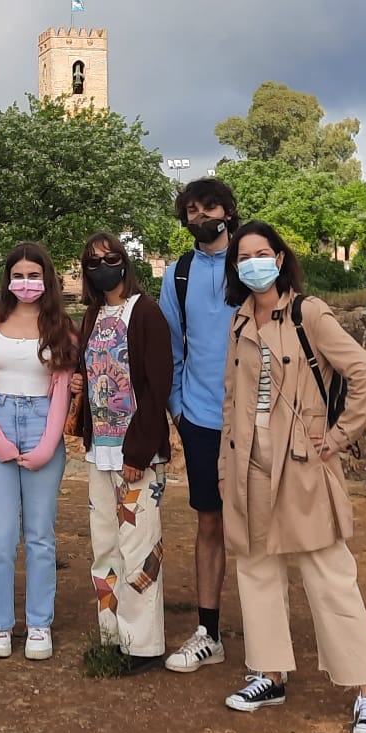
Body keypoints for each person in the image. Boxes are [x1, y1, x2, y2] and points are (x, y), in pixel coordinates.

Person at [219, 221, 366, 733]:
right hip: (249, 462)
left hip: (302, 464)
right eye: (243, 256)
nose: (252, 262)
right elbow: (234, 397)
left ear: (279, 257)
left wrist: (337, 437)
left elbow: (363, 371)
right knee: (256, 569)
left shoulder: (307, 313)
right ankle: (269, 672)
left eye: (261, 253)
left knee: (329, 574)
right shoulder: (238, 322)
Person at [0, 242, 78, 661]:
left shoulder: (61, 328)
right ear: (7, 279)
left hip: (41, 424)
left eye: (34, 276)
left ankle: (37, 624)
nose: (26, 283)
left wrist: (48, 444)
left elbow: (62, 389)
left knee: (40, 535)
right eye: (19, 275)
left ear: (46, 279)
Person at [72, 231, 175, 672]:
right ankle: (112, 635)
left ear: (124, 261)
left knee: (139, 548)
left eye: (109, 258)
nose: (102, 268)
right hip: (101, 452)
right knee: (105, 546)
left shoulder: (146, 314)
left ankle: (143, 644)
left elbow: (156, 387)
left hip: (136, 455)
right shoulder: (93, 314)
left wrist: (140, 451)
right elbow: (91, 370)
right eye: (92, 263)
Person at [160, 176, 238, 673]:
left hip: (257, 420)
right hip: (202, 419)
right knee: (209, 524)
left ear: (228, 211)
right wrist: (178, 410)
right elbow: (170, 346)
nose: (201, 216)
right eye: (192, 210)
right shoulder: (179, 273)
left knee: (261, 527)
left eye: (210, 207)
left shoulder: (251, 263)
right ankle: (208, 632)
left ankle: (268, 633)